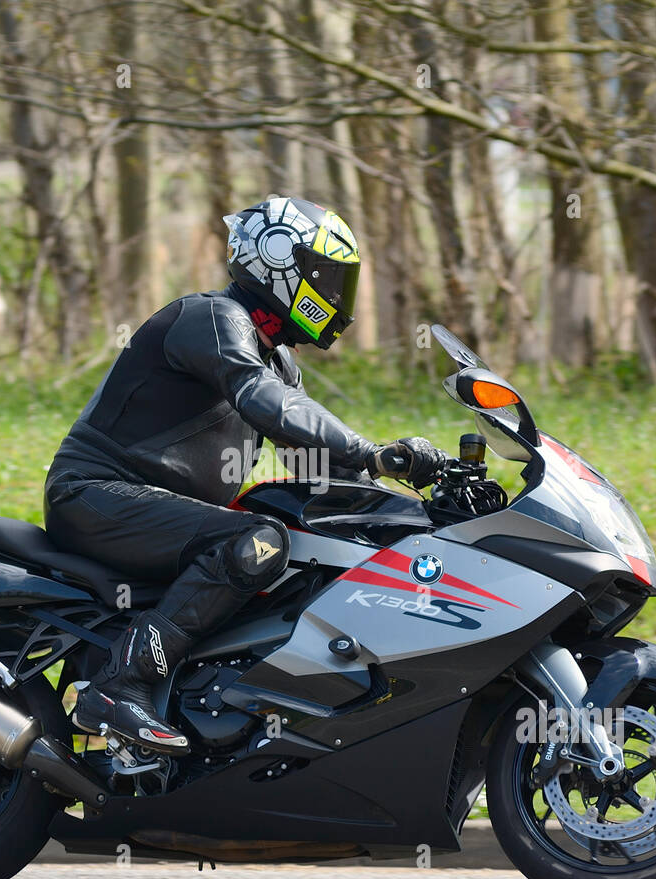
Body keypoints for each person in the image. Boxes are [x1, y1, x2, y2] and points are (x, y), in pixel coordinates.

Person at [43, 196, 445, 753]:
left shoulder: (277, 360)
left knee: (311, 546)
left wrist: (422, 509)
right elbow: (264, 402)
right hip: (96, 495)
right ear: (278, 263)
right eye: (325, 278)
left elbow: (317, 461)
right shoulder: (211, 318)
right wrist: (374, 451)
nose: (335, 297)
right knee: (257, 540)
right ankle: (120, 687)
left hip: (152, 510)